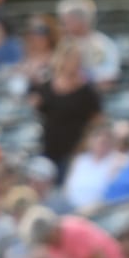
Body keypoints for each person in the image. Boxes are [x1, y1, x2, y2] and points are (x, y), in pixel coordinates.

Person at [31, 49, 104, 180]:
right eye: (67, 59)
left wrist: (85, 143)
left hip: (74, 150)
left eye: (74, 60)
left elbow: (97, 120)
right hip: (49, 147)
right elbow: (38, 107)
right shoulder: (47, 86)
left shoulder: (87, 91)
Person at [57, 0, 121, 87]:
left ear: (82, 20)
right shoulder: (62, 43)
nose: (64, 26)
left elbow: (110, 74)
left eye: (67, 21)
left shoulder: (102, 44)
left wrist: (84, 78)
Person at [63, 122, 129, 211]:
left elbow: (112, 192)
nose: (101, 143)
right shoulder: (80, 160)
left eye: (106, 141)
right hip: (70, 206)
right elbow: (67, 187)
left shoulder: (116, 161)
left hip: (97, 210)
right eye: (98, 139)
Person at [13, 15, 61, 85]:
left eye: (42, 30)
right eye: (32, 31)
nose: (37, 36)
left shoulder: (58, 57)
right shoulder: (26, 55)